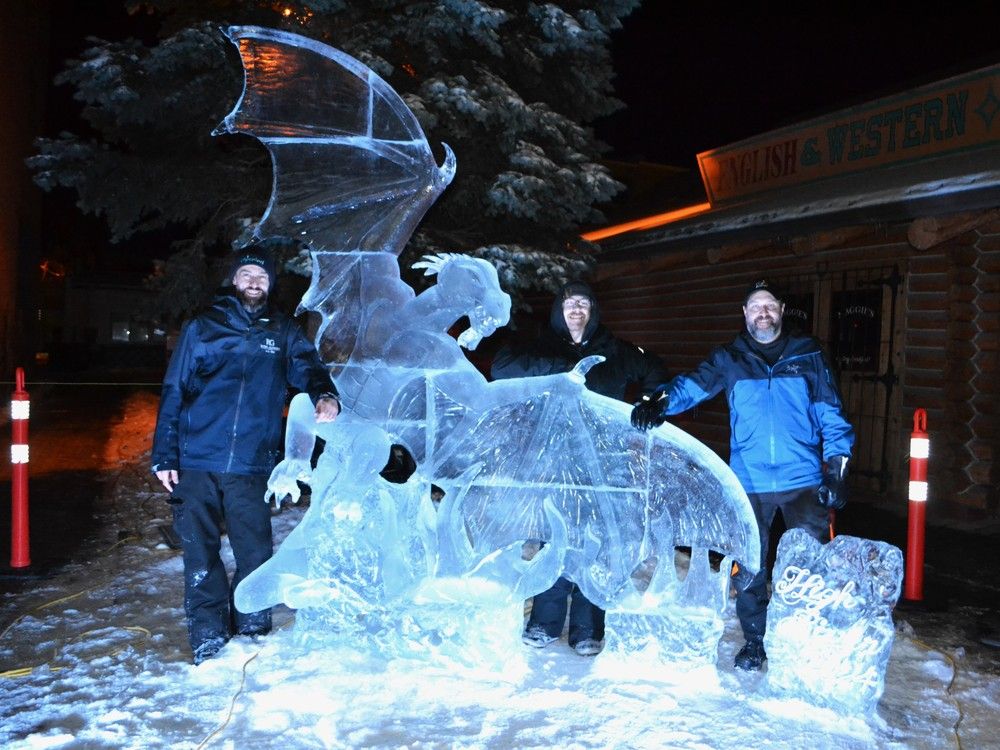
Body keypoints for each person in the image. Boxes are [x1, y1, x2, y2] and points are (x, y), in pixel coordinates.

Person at [631, 278, 854, 671]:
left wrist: (836, 468)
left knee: (812, 566)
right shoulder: (729, 358)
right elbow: (691, 387)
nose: (762, 312)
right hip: (748, 483)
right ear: (745, 314)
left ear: (782, 310)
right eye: (755, 306)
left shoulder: (809, 354)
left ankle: (809, 642)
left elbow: (830, 413)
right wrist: (658, 401)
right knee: (749, 566)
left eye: (769, 305)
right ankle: (755, 642)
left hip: (802, 481)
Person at [151, 246, 340, 664]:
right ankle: (208, 637)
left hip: (253, 463)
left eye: (262, 277)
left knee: (254, 552)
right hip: (196, 458)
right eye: (247, 274)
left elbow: (308, 368)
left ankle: (252, 633)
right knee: (201, 553)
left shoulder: (283, 331)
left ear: (269, 284)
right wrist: (164, 454)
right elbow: (174, 391)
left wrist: (325, 394)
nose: (254, 282)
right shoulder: (204, 327)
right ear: (234, 280)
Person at [491, 280, 667, 657]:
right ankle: (544, 622)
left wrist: (652, 399)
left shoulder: (614, 350)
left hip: (604, 465)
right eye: (570, 304)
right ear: (559, 310)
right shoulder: (541, 345)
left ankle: (588, 628)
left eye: (584, 304)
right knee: (554, 536)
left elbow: (654, 367)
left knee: (597, 543)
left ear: (593, 312)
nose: (576, 310)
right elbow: (501, 366)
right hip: (554, 460)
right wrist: (562, 367)